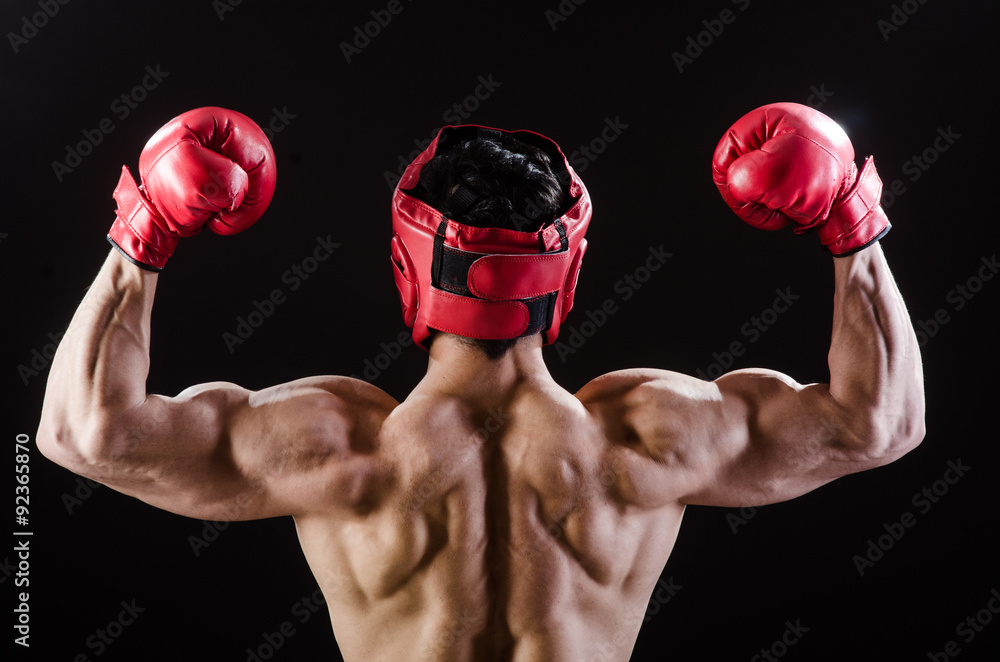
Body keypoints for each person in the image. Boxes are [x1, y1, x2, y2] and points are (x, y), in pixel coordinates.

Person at [37, 103, 925, 662]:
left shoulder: (335, 446)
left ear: (405, 269)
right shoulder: (647, 437)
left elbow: (84, 434)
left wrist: (142, 233)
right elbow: (880, 422)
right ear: (567, 277)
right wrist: (852, 222)